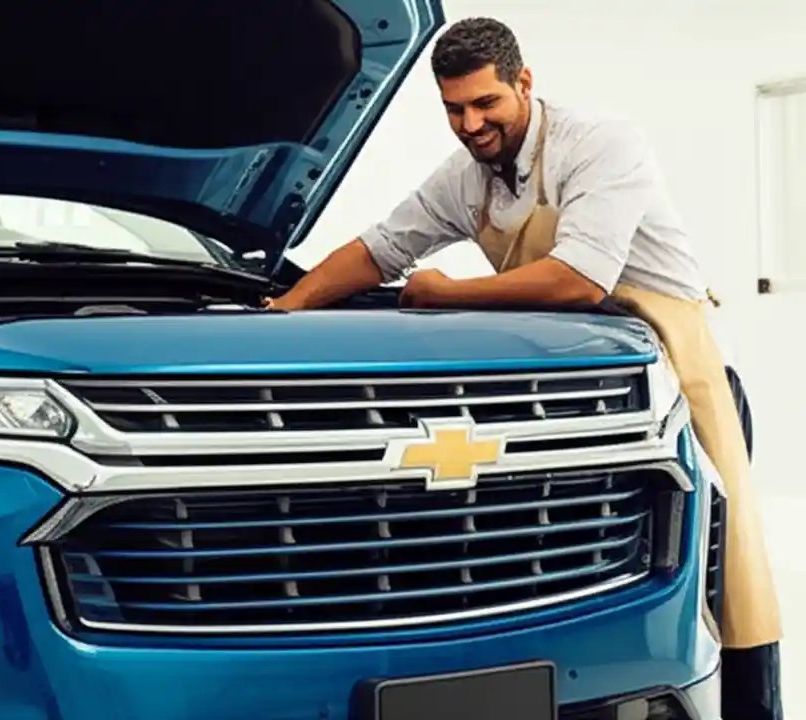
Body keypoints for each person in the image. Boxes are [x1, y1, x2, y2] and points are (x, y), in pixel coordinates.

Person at [267, 16, 783, 720]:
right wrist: (286, 305)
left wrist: (447, 294)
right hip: (573, 383)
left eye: (486, 104)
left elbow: (580, 279)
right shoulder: (465, 177)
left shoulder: (601, 145)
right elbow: (380, 247)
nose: (471, 124)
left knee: (726, 572)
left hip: (675, 370)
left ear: (524, 83)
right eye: (454, 109)